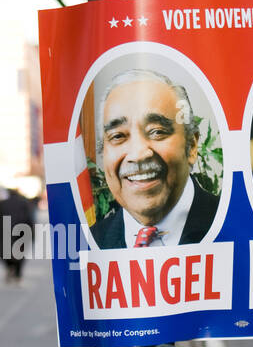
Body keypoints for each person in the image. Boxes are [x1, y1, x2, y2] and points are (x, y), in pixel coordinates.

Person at [89, 68, 218, 249]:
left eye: (157, 132)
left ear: (191, 146)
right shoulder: (89, 244)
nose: (138, 155)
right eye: (118, 136)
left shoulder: (236, 225)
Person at [0, 186, 34, 284]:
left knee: (6, 252)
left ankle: (9, 268)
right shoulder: (24, 202)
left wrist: (0, 225)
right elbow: (29, 218)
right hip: (22, 231)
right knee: (20, 253)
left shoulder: (1, 203)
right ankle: (18, 274)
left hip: (6, 230)